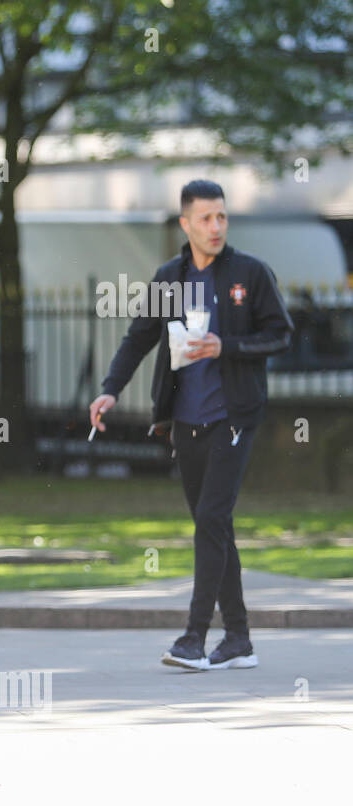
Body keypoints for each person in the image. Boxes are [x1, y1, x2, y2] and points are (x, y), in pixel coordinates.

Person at [90, 179, 292, 672]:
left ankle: (193, 639)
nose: (216, 226)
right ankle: (239, 638)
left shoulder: (250, 273)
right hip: (184, 422)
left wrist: (230, 346)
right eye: (206, 218)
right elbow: (139, 338)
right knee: (214, 524)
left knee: (210, 521)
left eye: (222, 216)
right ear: (186, 224)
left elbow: (280, 333)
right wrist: (110, 388)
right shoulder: (169, 279)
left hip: (234, 417)